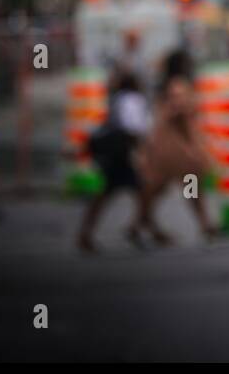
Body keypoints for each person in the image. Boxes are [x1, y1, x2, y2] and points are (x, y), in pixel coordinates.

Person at [134, 69, 217, 244]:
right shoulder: (173, 109)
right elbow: (182, 129)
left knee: (176, 192)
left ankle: (203, 225)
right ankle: (141, 225)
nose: (178, 97)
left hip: (174, 162)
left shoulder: (171, 109)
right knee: (159, 192)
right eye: (175, 94)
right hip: (172, 161)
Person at [77, 69, 151, 253]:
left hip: (116, 154)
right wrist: (142, 151)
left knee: (114, 194)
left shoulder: (117, 98)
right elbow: (134, 127)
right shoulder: (132, 100)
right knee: (139, 192)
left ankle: (134, 228)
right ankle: (134, 228)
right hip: (122, 155)